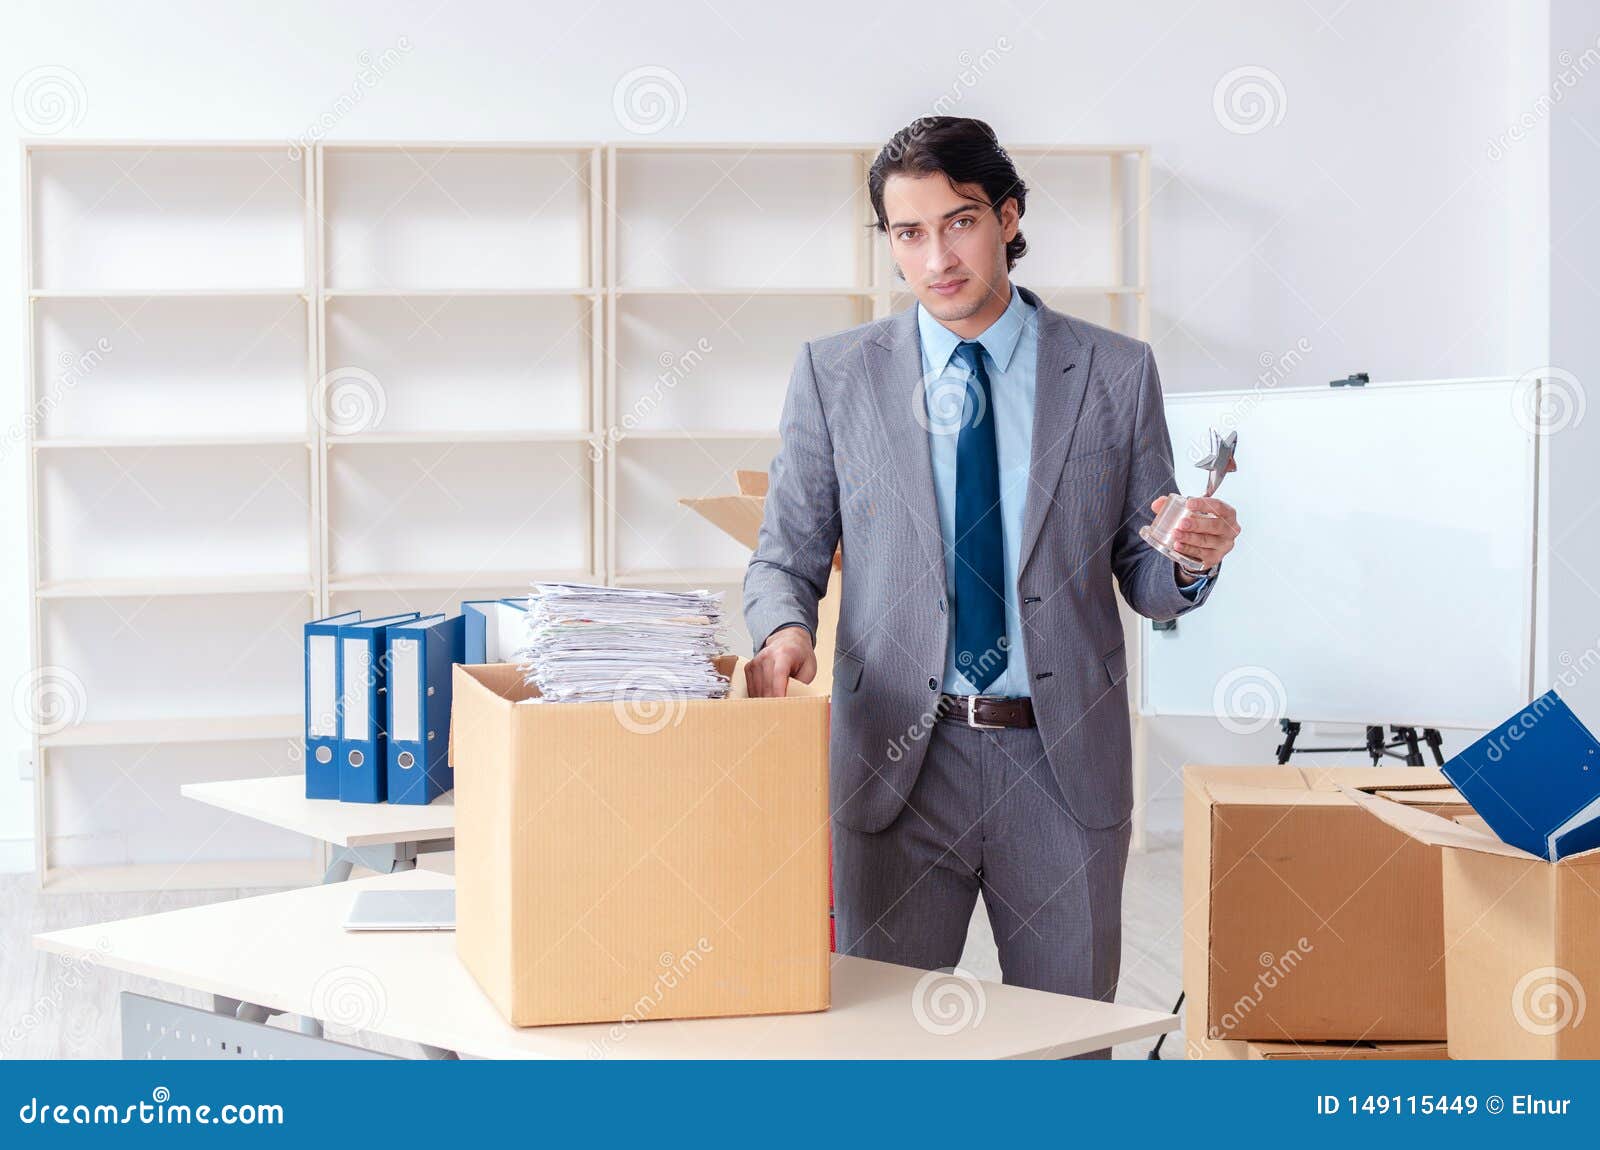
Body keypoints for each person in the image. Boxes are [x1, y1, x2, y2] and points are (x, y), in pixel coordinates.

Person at [742, 116, 1241, 1054]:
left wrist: (1189, 559)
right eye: (908, 233)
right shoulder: (835, 375)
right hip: (896, 759)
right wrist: (784, 633)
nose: (937, 256)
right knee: (884, 1055)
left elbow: (1144, 571)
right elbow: (785, 553)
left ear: (1009, 217)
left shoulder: (1113, 373)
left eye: (960, 222)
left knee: (1069, 1052)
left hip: (1060, 767)